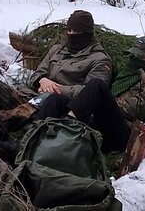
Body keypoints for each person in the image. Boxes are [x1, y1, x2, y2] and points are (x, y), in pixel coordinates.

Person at [27, 10, 132, 152]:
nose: (71, 35)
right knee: (53, 101)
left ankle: (66, 127)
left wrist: (56, 89)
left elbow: (92, 93)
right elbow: (36, 75)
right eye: (69, 30)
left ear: (86, 33)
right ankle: (28, 144)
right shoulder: (57, 50)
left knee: (92, 86)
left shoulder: (99, 59)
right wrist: (43, 81)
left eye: (76, 32)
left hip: (86, 114)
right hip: (45, 97)